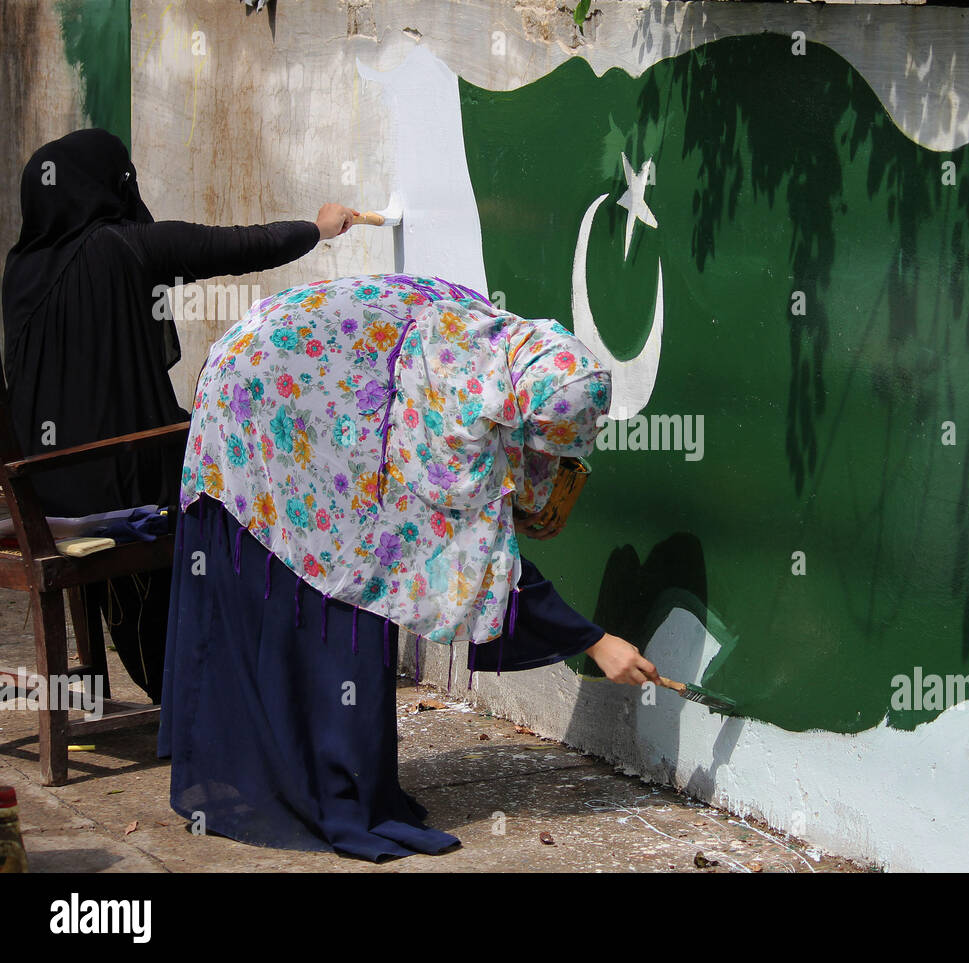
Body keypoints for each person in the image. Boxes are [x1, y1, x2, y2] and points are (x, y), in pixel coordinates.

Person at [158, 272, 656, 859]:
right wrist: (596, 642)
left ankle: (291, 766)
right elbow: (479, 562)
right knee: (346, 588)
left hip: (273, 367)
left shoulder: (495, 349)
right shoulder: (446, 412)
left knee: (335, 585)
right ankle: (319, 788)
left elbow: (516, 479)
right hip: (273, 395)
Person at [1, 128, 356, 702]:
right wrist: (318, 228)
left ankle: (184, 679)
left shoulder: (20, 270)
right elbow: (237, 245)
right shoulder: (123, 246)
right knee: (257, 469)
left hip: (45, 500)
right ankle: (258, 671)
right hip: (122, 490)